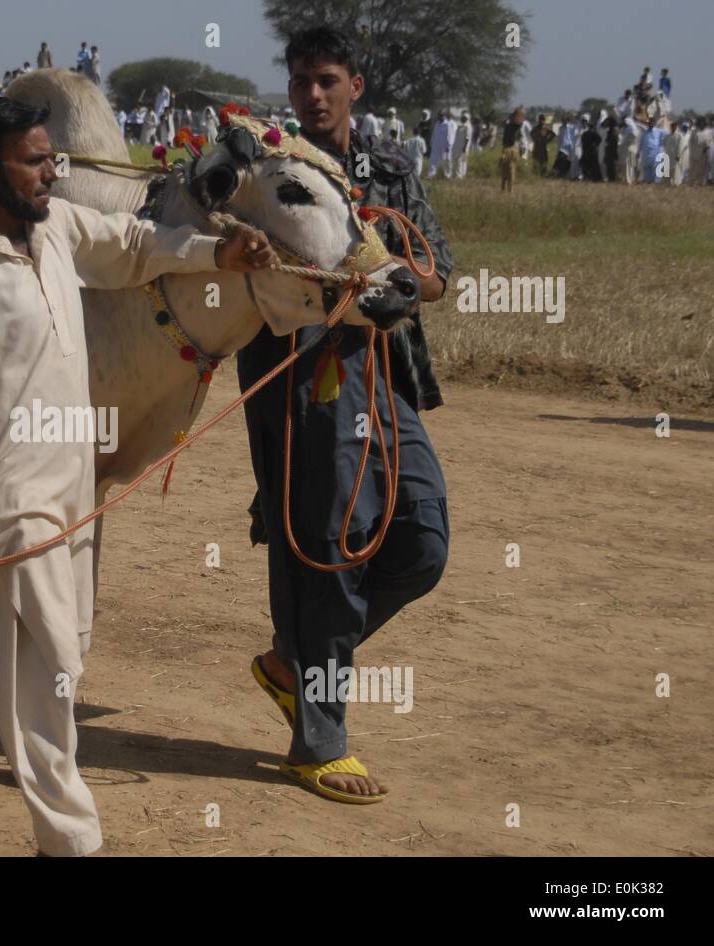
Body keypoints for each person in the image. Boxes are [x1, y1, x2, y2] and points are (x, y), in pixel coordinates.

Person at [0, 94, 275, 855]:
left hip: (73, 489)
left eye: (52, 157)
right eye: (35, 160)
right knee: (49, 673)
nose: (51, 173)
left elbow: (132, 247)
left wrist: (214, 255)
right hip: (7, 504)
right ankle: (69, 841)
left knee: (69, 640)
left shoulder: (58, 228)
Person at [237, 25, 453, 805]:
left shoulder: (391, 168)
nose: (312, 94)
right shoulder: (262, 170)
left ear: (354, 86)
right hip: (299, 379)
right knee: (329, 548)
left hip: (388, 375)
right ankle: (317, 744)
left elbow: (437, 274)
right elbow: (230, 274)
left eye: (326, 79)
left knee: (423, 543)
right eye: (300, 82)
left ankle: (298, 664)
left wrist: (397, 284)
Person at [500, 106, 524, 191]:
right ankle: (502, 189)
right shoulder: (507, 125)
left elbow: (519, 121)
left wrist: (517, 114)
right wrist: (510, 116)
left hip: (512, 149)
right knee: (504, 170)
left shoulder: (517, 126)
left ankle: (511, 190)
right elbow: (501, 123)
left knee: (511, 170)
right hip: (505, 148)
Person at [428, 108, 456, 177]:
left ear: (445, 116)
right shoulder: (436, 124)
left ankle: (448, 175)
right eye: (440, 115)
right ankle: (432, 173)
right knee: (433, 159)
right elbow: (434, 134)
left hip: (445, 145)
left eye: (442, 115)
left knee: (446, 160)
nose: (441, 116)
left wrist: (449, 146)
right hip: (436, 144)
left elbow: (450, 136)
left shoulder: (448, 124)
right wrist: (431, 143)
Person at [689, 116, 711, 186]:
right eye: (700, 124)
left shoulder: (708, 132)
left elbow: (709, 143)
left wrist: (706, 149)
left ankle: (702, 182)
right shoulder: (694, 131)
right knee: (694, 168)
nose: (701, 125)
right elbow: (691, 142)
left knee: (703, 168)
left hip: (704, 153)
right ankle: (692, 181)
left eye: (703, 124)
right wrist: (692, 151)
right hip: (695, 152)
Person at [454, 111, 472, 178]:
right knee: (462, 161)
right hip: (459, 146)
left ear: (467, 119)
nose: (463, 119)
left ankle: (459, 176)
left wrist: (464, 147)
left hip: (464, 147)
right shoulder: (461, 126)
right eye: (462, 117)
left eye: (464, 118)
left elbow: (467, 138)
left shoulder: (468, 126)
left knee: (460, 161)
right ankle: (462, 175)